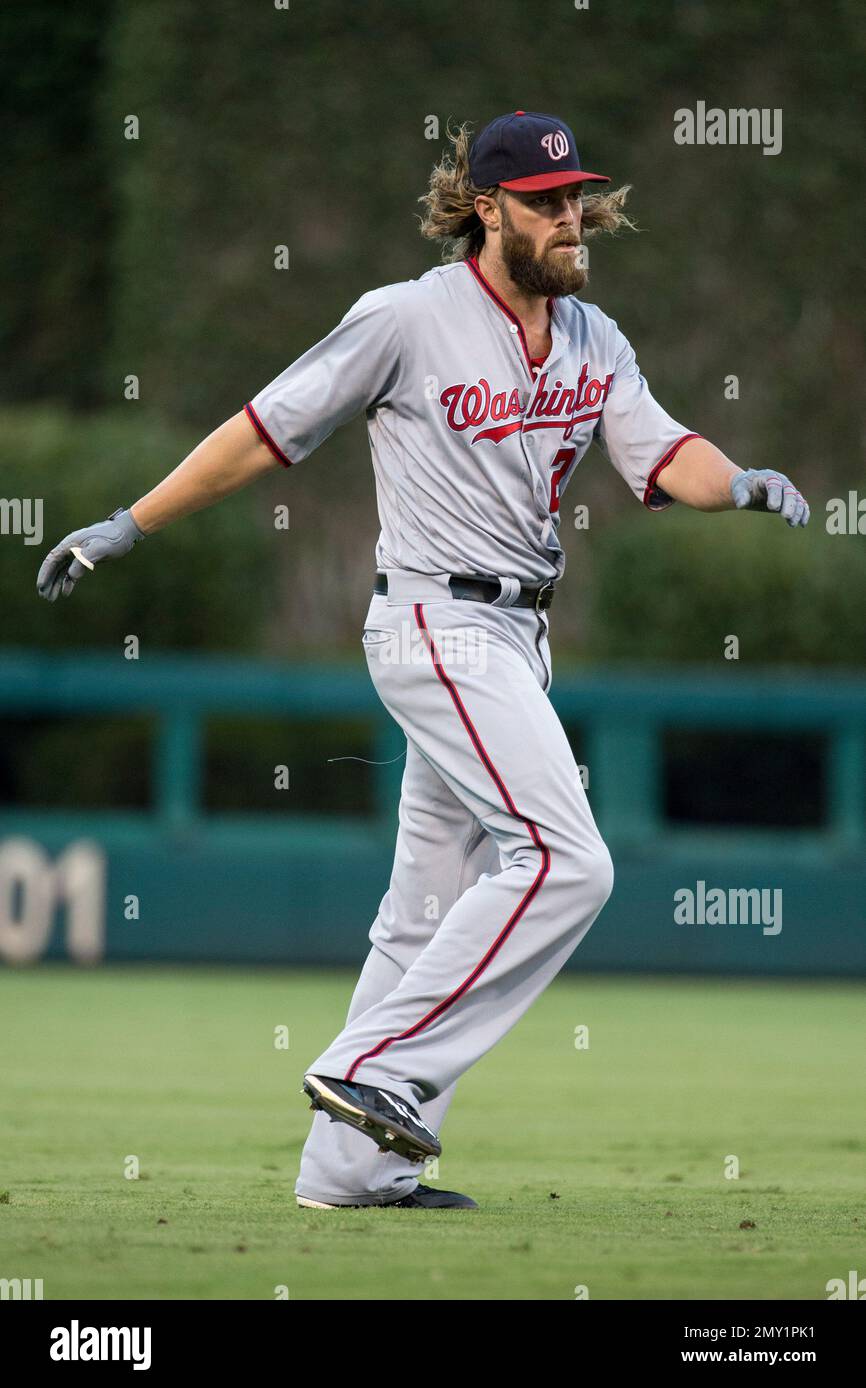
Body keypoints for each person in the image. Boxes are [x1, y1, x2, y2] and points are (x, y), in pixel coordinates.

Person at [37, 111, 809, 1210]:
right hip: (432, 623)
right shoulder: (404, 318)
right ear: (487, 209)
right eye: (543, 201)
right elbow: (265, 427)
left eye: (573, 197)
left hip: (513, 638)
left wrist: (735, 480)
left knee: (424, 907)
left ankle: (350, 1171)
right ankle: (366, 1068)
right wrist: (130, 520)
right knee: (564, 859)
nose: (567, 216)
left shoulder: (592, 337)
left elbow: (661, 448)